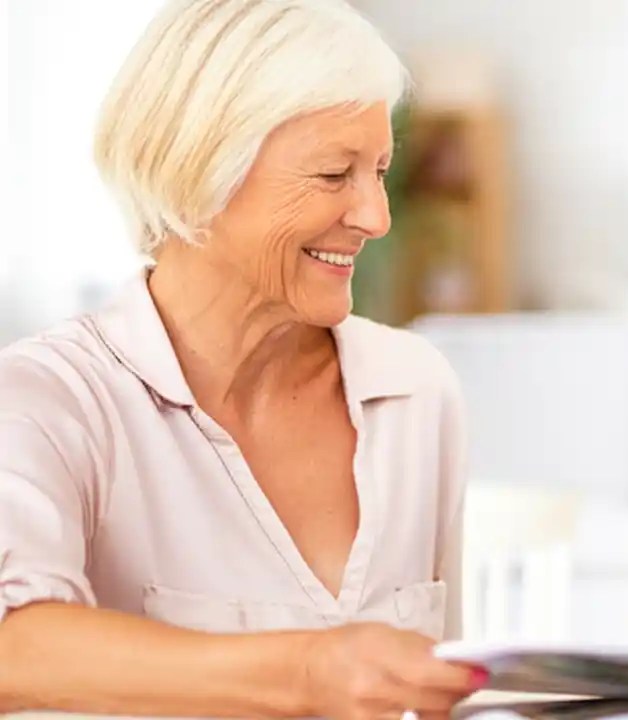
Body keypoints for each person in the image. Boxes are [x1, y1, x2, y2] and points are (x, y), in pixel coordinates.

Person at [0, 1, 483, 717]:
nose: (375, 217)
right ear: (200, 172)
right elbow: (14, 646)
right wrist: (309, 672)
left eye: (379, 170)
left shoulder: (415, 392)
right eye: (334, 174)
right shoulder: (51, 399)